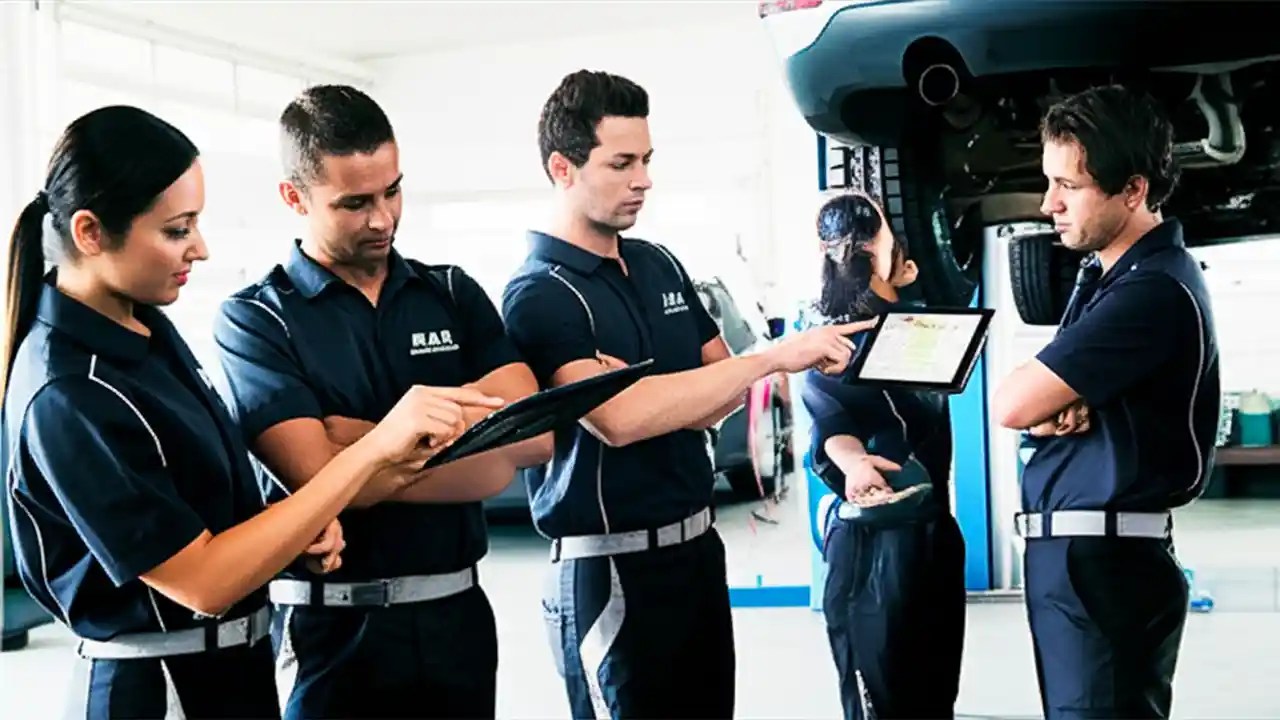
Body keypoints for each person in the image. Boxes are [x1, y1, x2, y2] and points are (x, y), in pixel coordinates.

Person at [1, 105, 499, 720]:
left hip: (233, 670)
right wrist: (377, 445)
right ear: (90, 233)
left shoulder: (147, 332)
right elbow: (204, 582)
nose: (200, 249)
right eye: (178, 230)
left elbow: (196, 509)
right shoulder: (70, 390)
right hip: (161, 685)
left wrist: (287, 530)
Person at [501, 69, 870, 720]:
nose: (643, 178)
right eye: (621, 163)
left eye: (646, 160)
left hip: (696, 555)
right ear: (562, 168)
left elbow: (721, 390)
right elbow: (621, 420)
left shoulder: (658, 264)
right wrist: (765, 361)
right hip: (610, 573)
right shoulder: (542, 294)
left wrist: (669, 391)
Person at [211, 84, 551, 720]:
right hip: (332, 635)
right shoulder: (256, 319)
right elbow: (310, 473)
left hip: (457, 620)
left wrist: (355, 445)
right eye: (354, 203)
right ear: (294, 197)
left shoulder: (451, 293)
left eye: (392, 191)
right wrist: (465, 442)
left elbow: (531, 439)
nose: (383, 218)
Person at [992, 84, 1221, 720]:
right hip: (1090, 562)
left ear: (1133, 190)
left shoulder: (1148, 292)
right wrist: (1055, 398)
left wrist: (1048, 398)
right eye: (1048, 182)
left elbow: (1013, 403)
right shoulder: (1109, 276)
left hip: (1104, 571)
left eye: (1070, 186)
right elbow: (1037, 401)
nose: (1048, 205)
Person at [796, 191, 967, 720]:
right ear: (879, 249)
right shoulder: (828, 338)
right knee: (884, 704)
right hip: (875, 545)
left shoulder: (913, 326)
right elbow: (832, 426)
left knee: (932, 698)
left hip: (932, 532)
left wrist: (904, 282)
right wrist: (853, 465)